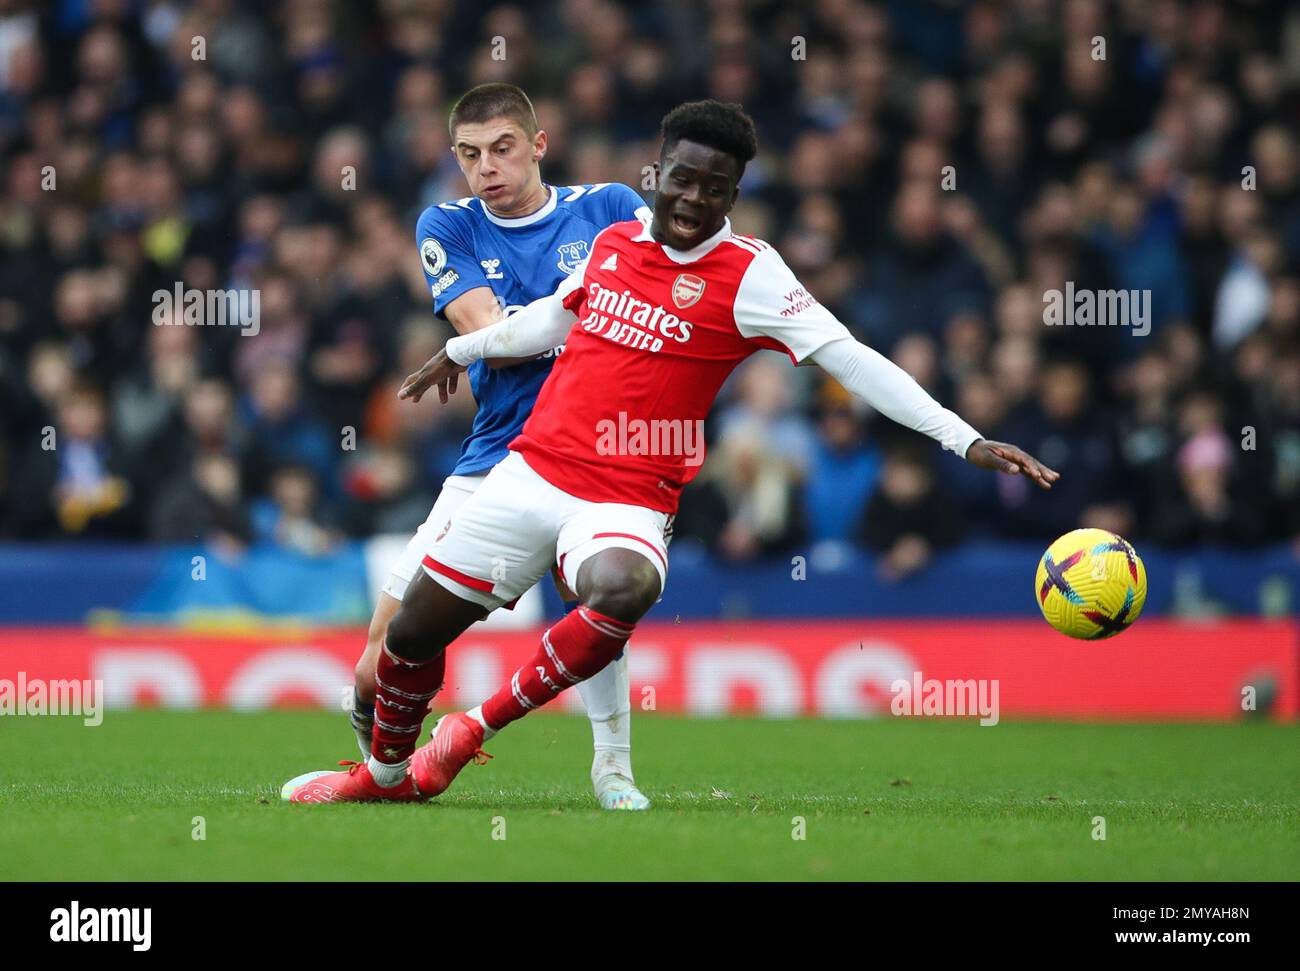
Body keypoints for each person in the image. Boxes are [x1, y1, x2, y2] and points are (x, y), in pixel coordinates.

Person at [285, 99, 1057, 805]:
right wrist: (465, 348)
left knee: (621, 589)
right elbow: (549, 322)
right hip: (531, 468)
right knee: (409, 637)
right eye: (682, 181)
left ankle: (472, 730)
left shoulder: (754, 275)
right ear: (658, 174)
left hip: (628, 498)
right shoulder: (616, 242)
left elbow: (853, 360)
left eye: (713, 188)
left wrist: (965, 436)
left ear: (733, 193)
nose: (692, 200)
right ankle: (387, 777)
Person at [344, 82, 654, 810]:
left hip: (597, 451)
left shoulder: (609, 205)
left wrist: (534, 324)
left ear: (539, 145)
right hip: (495, 458)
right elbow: (499, 336)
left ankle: (613, 770)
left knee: (597, 597)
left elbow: (651, 296)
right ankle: (380, 768)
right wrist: (590, 306)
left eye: (504, 148)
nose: (487, 167)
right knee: (378, 660)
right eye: (470, 153)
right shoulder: (445, 225)